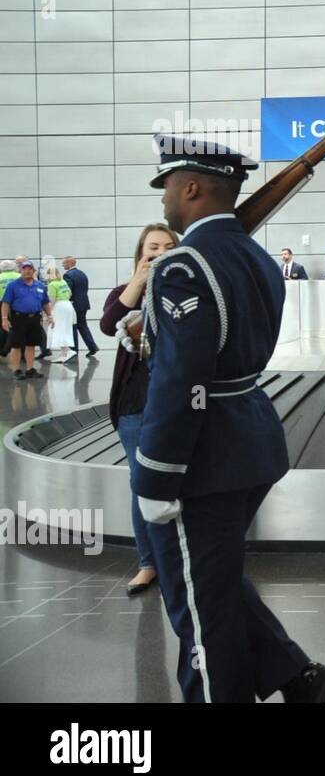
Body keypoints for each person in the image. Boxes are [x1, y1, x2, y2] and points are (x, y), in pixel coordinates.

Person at [134, 135, 325, 702]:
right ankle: (293, 674)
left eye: (169, 186)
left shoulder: (183, 267)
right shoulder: (258, 258)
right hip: (247, 439)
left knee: (198, 607)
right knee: (214, 580)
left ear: (192, 187)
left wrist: (157, 474)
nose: (166, 199)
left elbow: (181, 382)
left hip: (201, 458)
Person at [101, 223, 180, 598]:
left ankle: (177, 558)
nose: (159, 252)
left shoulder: (184, 294)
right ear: (140, 252)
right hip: (135, 403)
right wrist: (140, 277)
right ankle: (148, 563)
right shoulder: (125, 292)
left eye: (167, 247)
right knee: (141, 483)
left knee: (179, 481)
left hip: (175, 402)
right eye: (152, 247)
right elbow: (107, 323)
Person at [2, 261, 53, 380]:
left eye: (30, 269)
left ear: (34, 271)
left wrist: (50, 316)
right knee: (17, 345)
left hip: (35, 318)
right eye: (25, 269)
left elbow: (45, 302)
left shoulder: (40, 285)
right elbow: (6, 303)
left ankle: (30, 369)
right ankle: (16, 370)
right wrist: (4, 319)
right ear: (21, 271)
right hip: (18, 318)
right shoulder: (13, 285)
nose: (27, 271)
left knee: (31, 344)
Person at [61, 256, 99, 358]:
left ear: (69, 263)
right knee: (82, 326)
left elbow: (67, 292)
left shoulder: (67, 275)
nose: (62, 265)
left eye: (64, 263)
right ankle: (92, 347)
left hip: (73, 305)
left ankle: (74, 351)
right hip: (84, 304)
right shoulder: (82, 274)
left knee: (72, 327)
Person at [44, 264, 76, 362]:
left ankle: (67, 351)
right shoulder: (63, 281)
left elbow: (52, 300)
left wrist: (48, 314)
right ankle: (64, 353)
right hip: (68, 305)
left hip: (59, 306)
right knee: (65, 328)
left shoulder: (52, 284)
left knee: (57, 328)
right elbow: (70, 293)